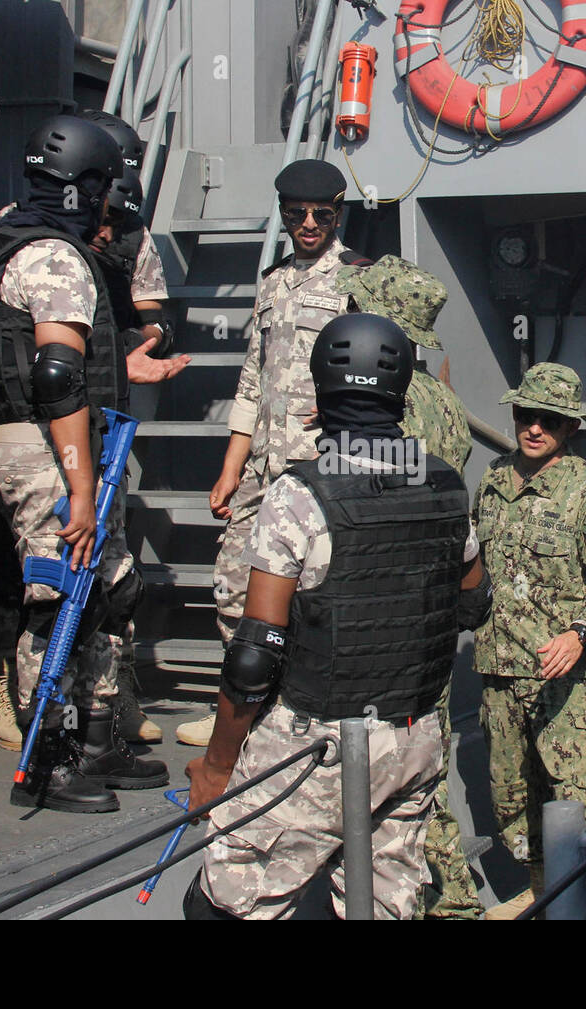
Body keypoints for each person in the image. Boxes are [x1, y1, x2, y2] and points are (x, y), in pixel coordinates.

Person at [182, 313, 491, 919]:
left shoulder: (301, 494)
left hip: (320, 740)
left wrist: (218, 766)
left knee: (222, 904)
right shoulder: (446, 484)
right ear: (402, 391)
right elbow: (475, 602)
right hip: (416, 737)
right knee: (380, 906)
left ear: (321, 391)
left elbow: (254, 656)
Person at [0, 114, 178, 812]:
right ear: (86, 186)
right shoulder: (56, 256)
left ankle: (95, 739)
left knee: (108, 587)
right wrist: (81, 487)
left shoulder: (2, 236)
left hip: (25, 436)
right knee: (61, 597)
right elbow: (56, 375)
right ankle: (47, 761)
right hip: (44, 445)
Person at [177, 158, 370, 748]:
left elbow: (382, 372)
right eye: (297, 214)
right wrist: (231, 468)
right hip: (263, 467)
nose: (309, 224)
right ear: (284, 214)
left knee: (315, 593)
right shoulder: (272, 281)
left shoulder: (361, 280)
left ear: (338, 213)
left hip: (319, 469)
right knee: (235, 586)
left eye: (322, 214)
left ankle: (300, 714)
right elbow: (252, 380)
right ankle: (240, 711)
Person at [333, 254, 481, 918]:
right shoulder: (446, 402)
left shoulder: (381, 403)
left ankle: (443, 899)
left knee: (396, 769)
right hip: (434, 603)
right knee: (429, 748)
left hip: (380, 607)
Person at [472, 362, 586, 919]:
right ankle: (543, 887)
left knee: (575, 797)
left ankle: (583, 904)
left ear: (567, 428)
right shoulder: (492, 484)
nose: (533, 427)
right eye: (525, 415)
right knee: (512, 797)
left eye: (548, 419)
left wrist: (581, 634)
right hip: (501, 668)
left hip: (566, 678)